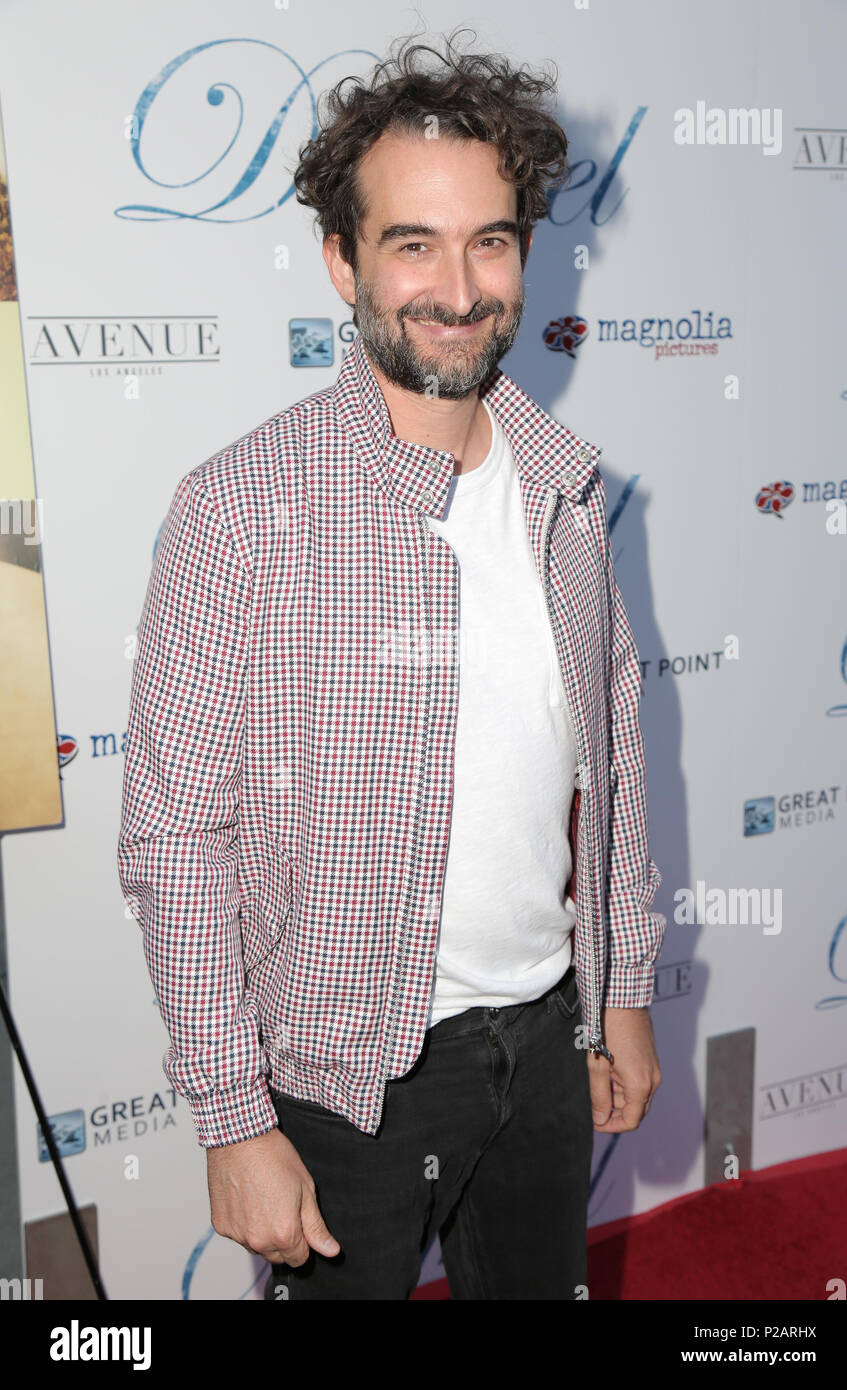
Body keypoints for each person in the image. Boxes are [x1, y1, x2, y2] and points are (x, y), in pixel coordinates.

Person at [117, 29, 666, 1301]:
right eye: (412, 243)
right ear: (341, 260)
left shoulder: (568, 493)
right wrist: (232, 1119)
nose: (457, 289)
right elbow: (174, 834)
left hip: (544, 1038)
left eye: (489, 241)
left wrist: (620, 991)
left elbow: (614, 761)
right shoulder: (239, 509)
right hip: (343, 1081)